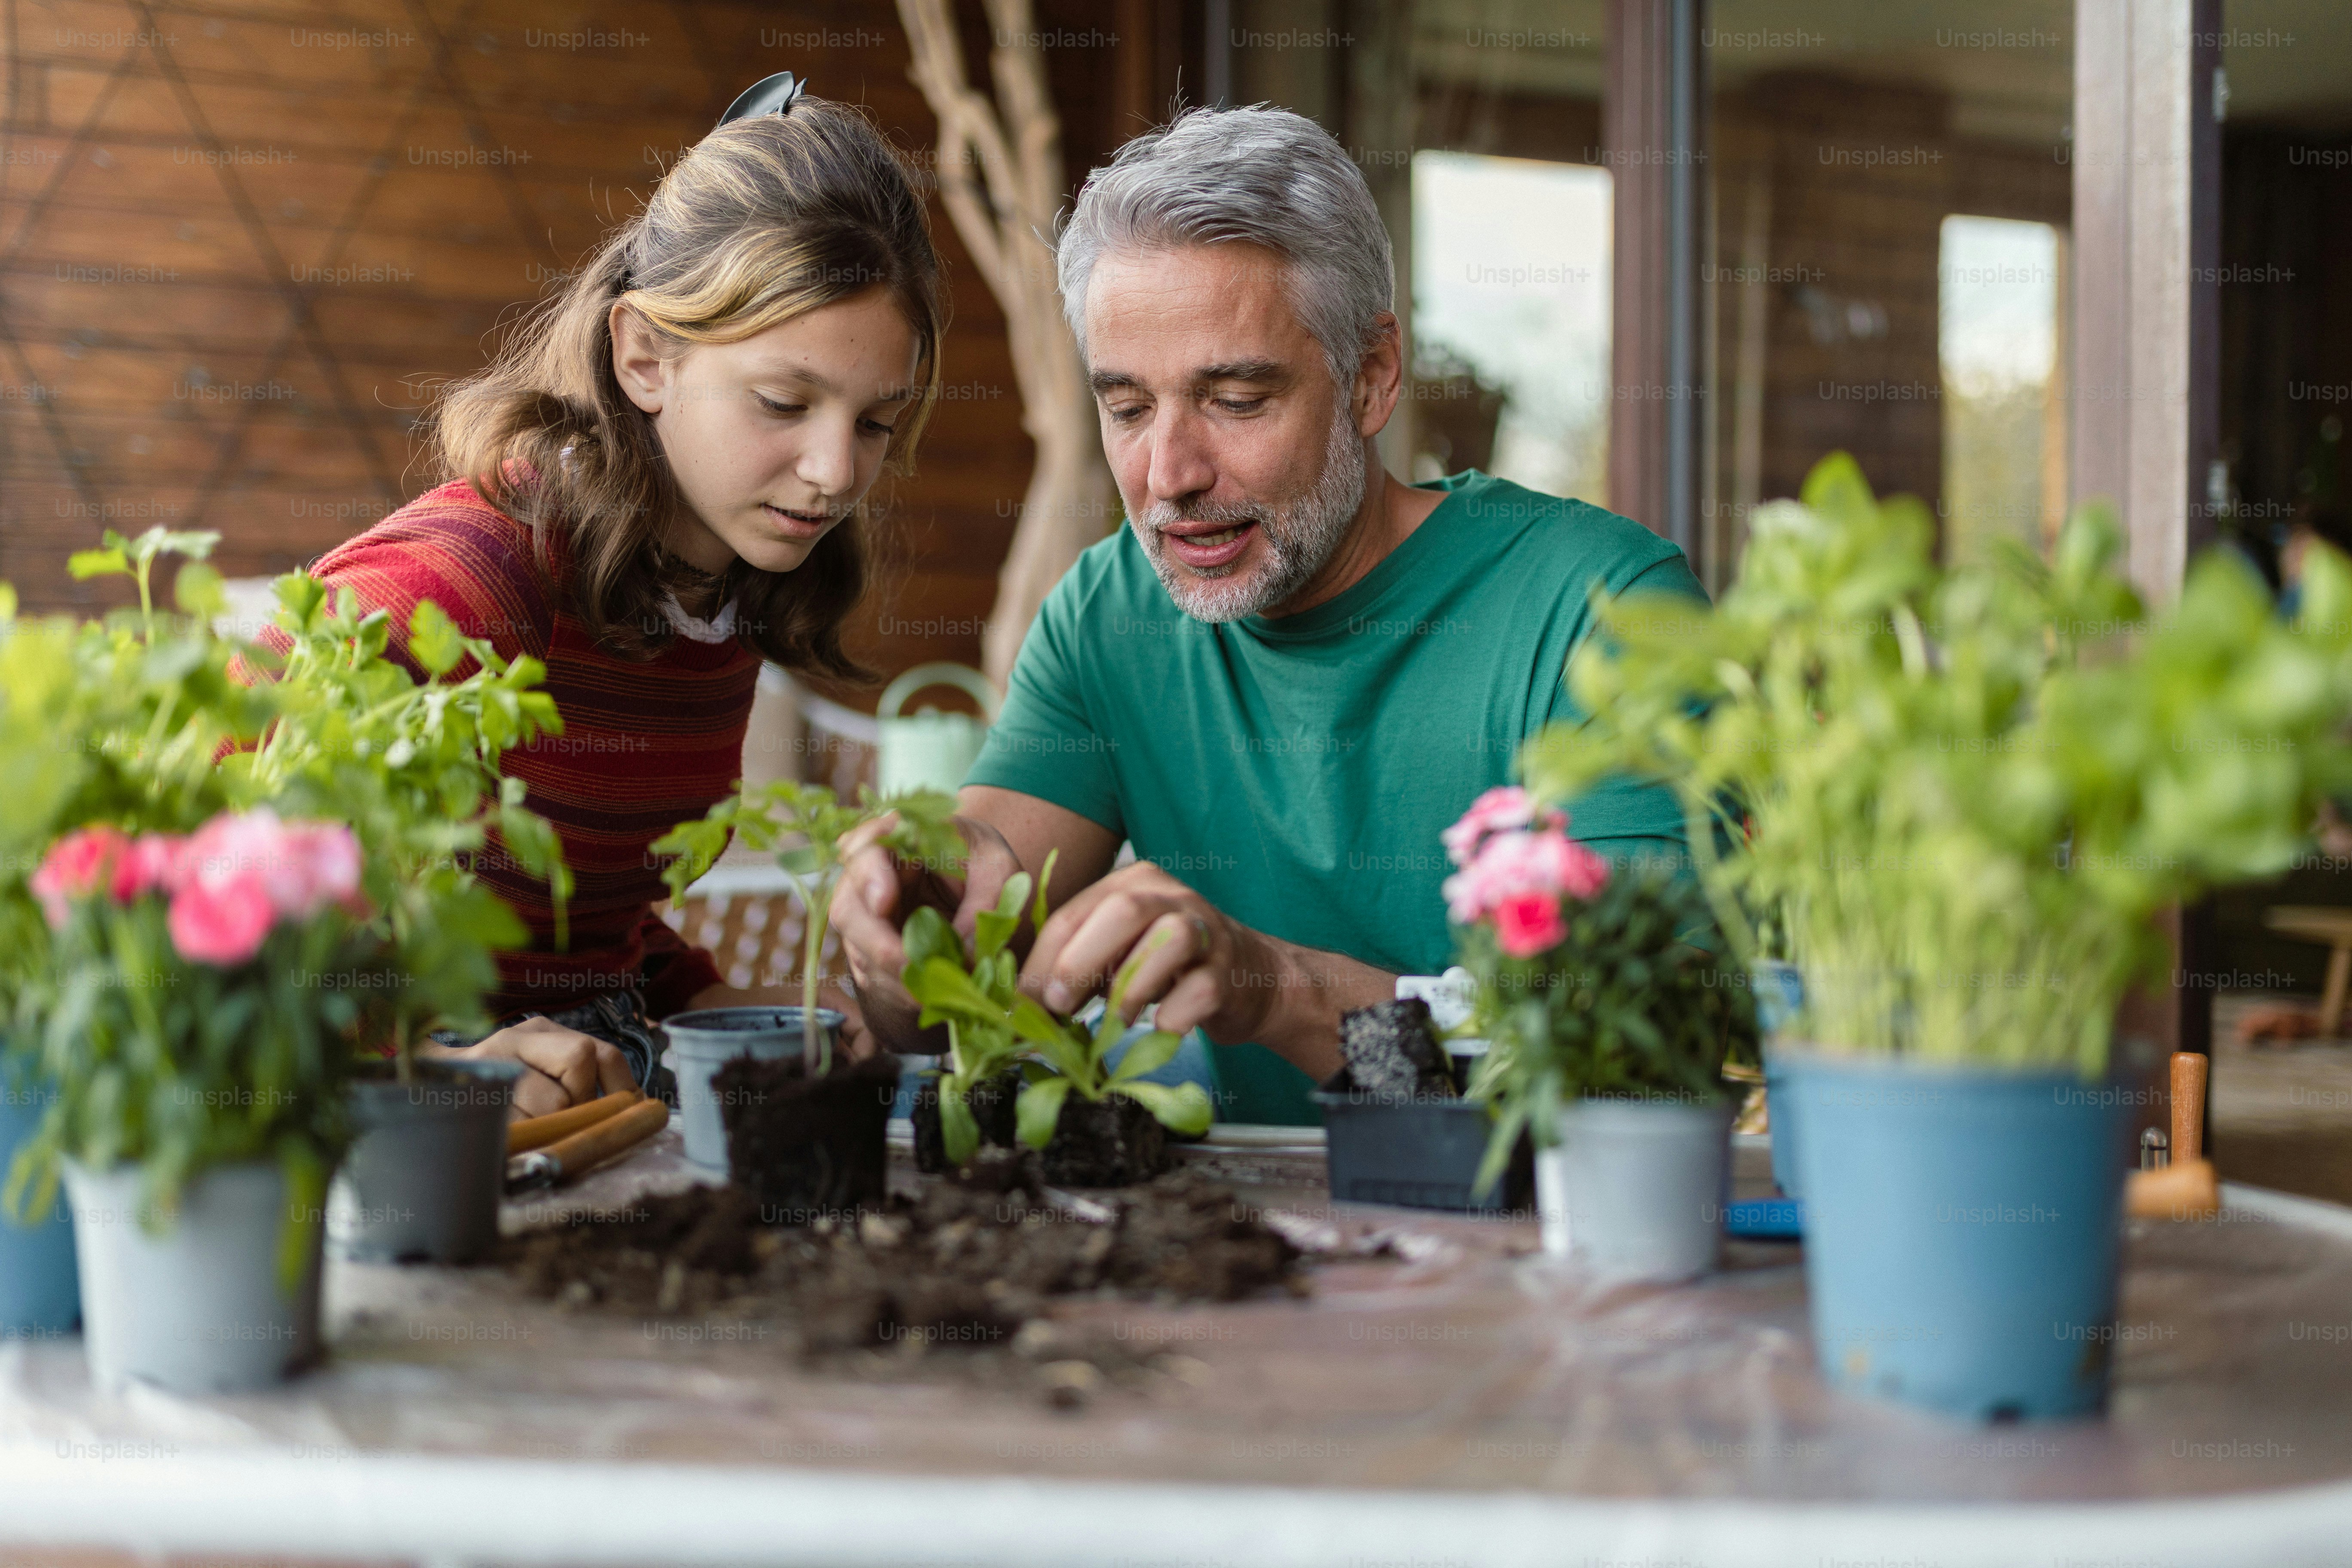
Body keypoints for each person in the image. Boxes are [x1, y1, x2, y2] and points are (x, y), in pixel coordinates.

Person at [833, 105, 1704, 1125]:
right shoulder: (1110, 617)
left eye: (1237, 399)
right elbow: (934, 1011)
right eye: (1126, 408)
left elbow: (1645, 1064)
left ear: (1373, 376)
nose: (1169, 474)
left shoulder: (1601, 613)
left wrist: (1275, 988)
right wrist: (896, 937)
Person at [275, 86, 944, 1118]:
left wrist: (716, 1000)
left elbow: (596, 921)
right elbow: (206, 893)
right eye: (785, 402)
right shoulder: (460, 585)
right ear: (645, 358)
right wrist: (423, 1071)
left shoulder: (724, 587)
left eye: (876, 422)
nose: (833, 470)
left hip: (606, 1079)